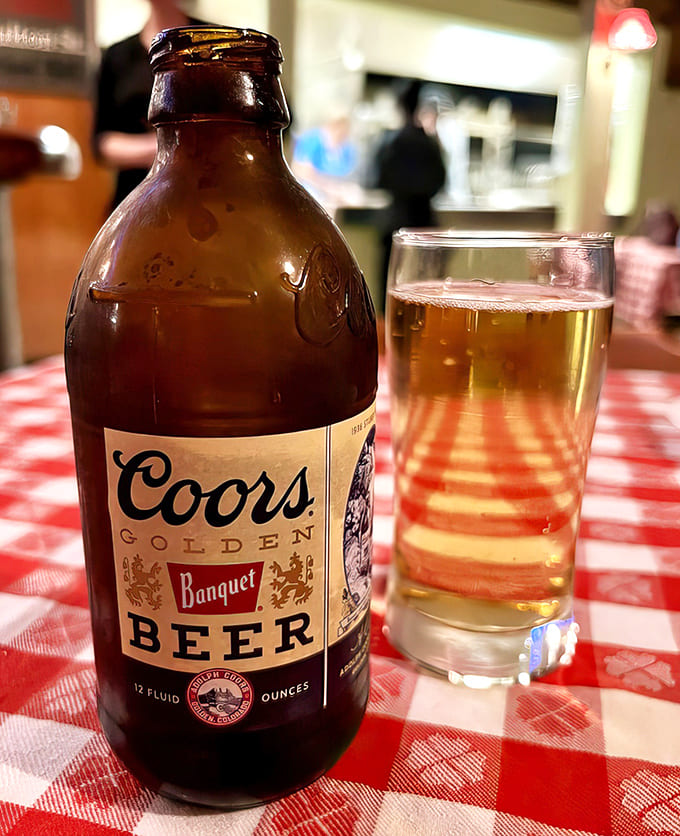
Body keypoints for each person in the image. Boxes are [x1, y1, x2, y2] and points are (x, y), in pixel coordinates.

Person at [93, 0, 201, 210]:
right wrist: (168, 148)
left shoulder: (214, 42)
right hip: (134, 201)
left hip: (200, 197)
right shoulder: (118, 56)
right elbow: (101, 142)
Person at [373, 80, 447, 302]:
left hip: (396, 223)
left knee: (390, 295)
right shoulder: (430, 144)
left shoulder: (392, 143)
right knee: (429, 295)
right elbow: (440, 181)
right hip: (426, 225)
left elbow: (380, 179)